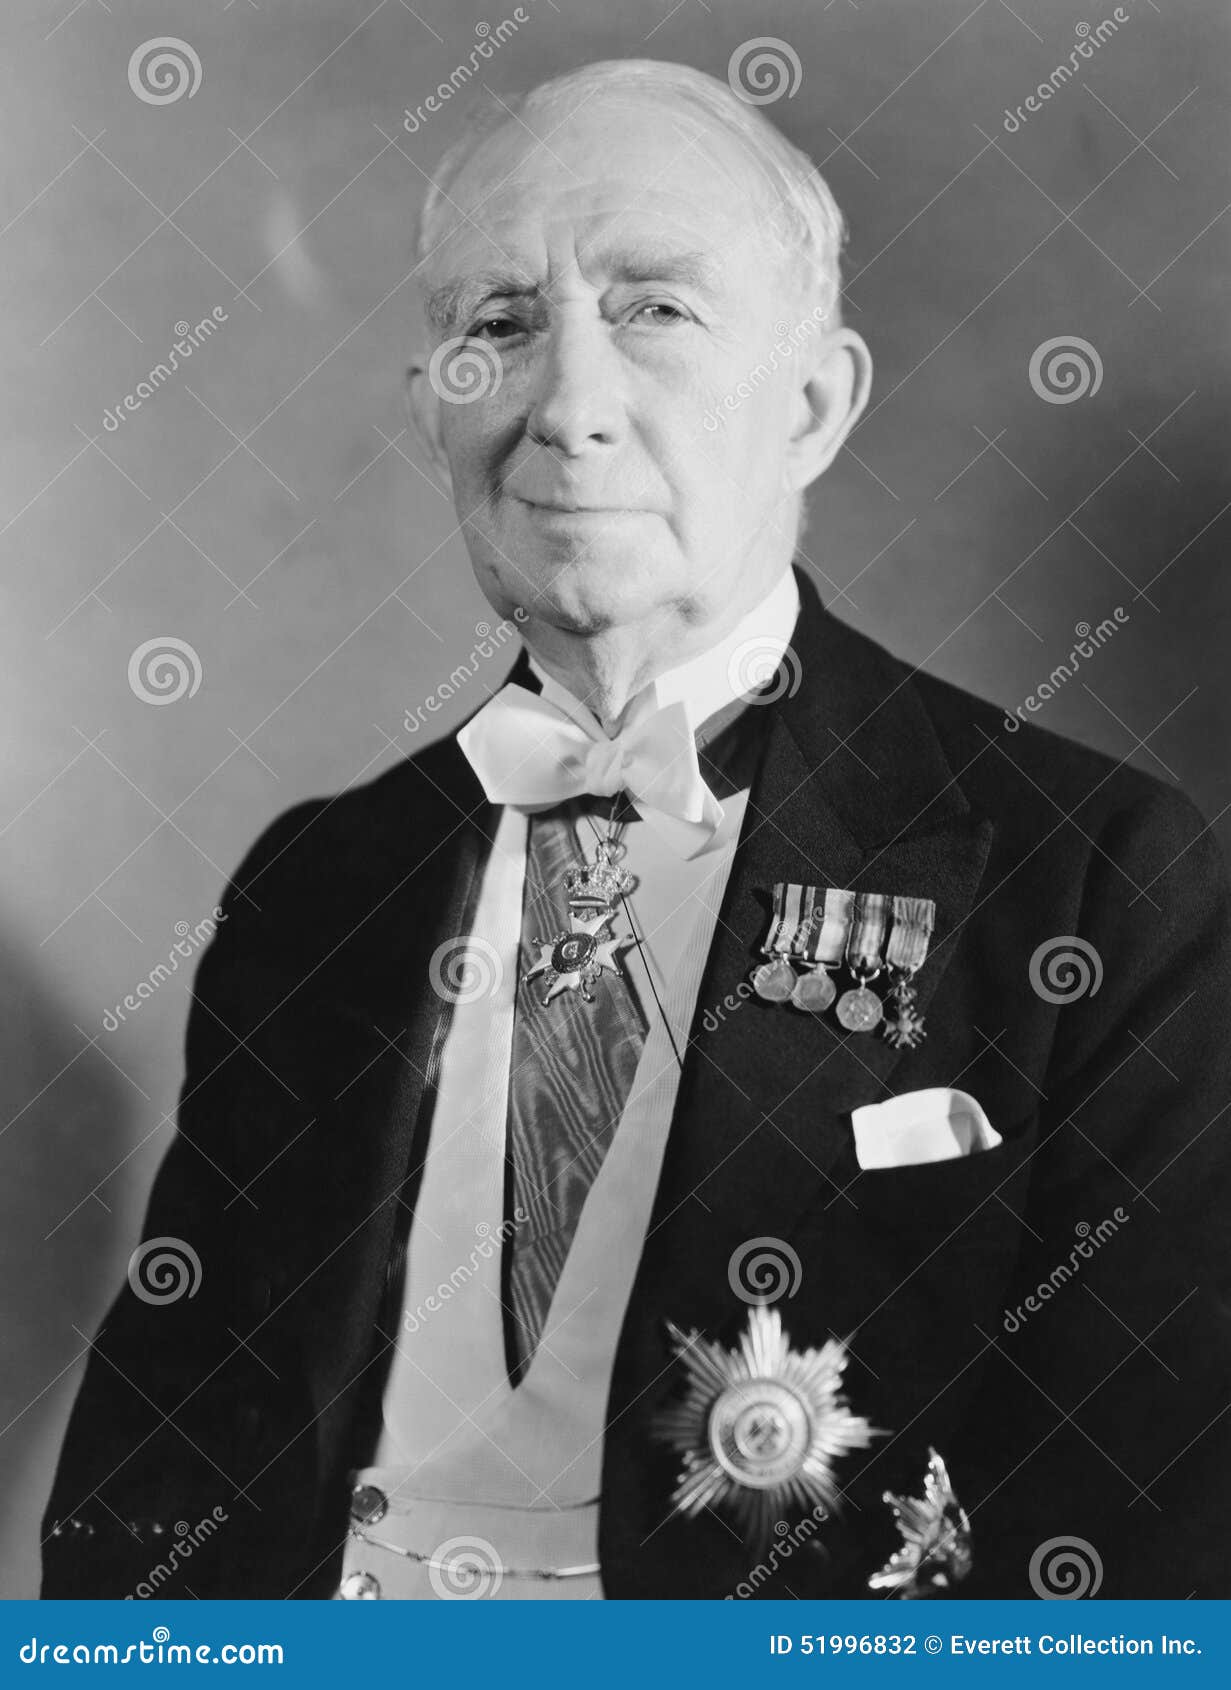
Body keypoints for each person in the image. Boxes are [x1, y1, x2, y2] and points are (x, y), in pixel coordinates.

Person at [43, 58, 1231, 1602]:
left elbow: (1147, 1548)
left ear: (812, 403)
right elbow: (155, 1480)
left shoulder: (1095, 876)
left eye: (654, 309)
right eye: (500, 324)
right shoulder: (322, 881)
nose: (569, 406)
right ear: (432, 407)